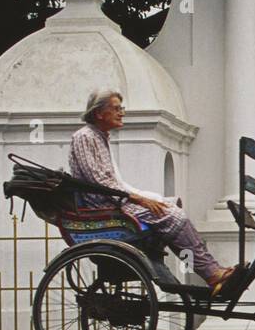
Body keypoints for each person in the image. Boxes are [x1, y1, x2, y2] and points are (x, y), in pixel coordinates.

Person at [68, 87, 241, 297]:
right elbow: (99, 180)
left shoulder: (99, 137)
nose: (121, 113)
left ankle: (210, 271)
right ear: (99, 113)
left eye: (121, 108)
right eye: (116, 108)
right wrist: (139, 199)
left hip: (113, 203)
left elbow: (114, 182)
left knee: (170, 207)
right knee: (172, 216)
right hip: (102, 209)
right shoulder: (85, 137)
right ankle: (211, 273)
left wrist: (149, 198)